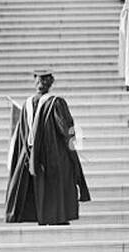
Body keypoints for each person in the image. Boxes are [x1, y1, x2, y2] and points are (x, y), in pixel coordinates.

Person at [5, 69, 91, 225]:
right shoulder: (56, 102)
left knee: (35, 184)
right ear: (51, 83)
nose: (41, 83)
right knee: (55, 183)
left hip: (30, 153)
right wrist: (74, 140)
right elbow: (66, 127)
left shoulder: (27, 104)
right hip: (53, 154)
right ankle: (54, 216)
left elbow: (22, 134)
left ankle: (38, 216)